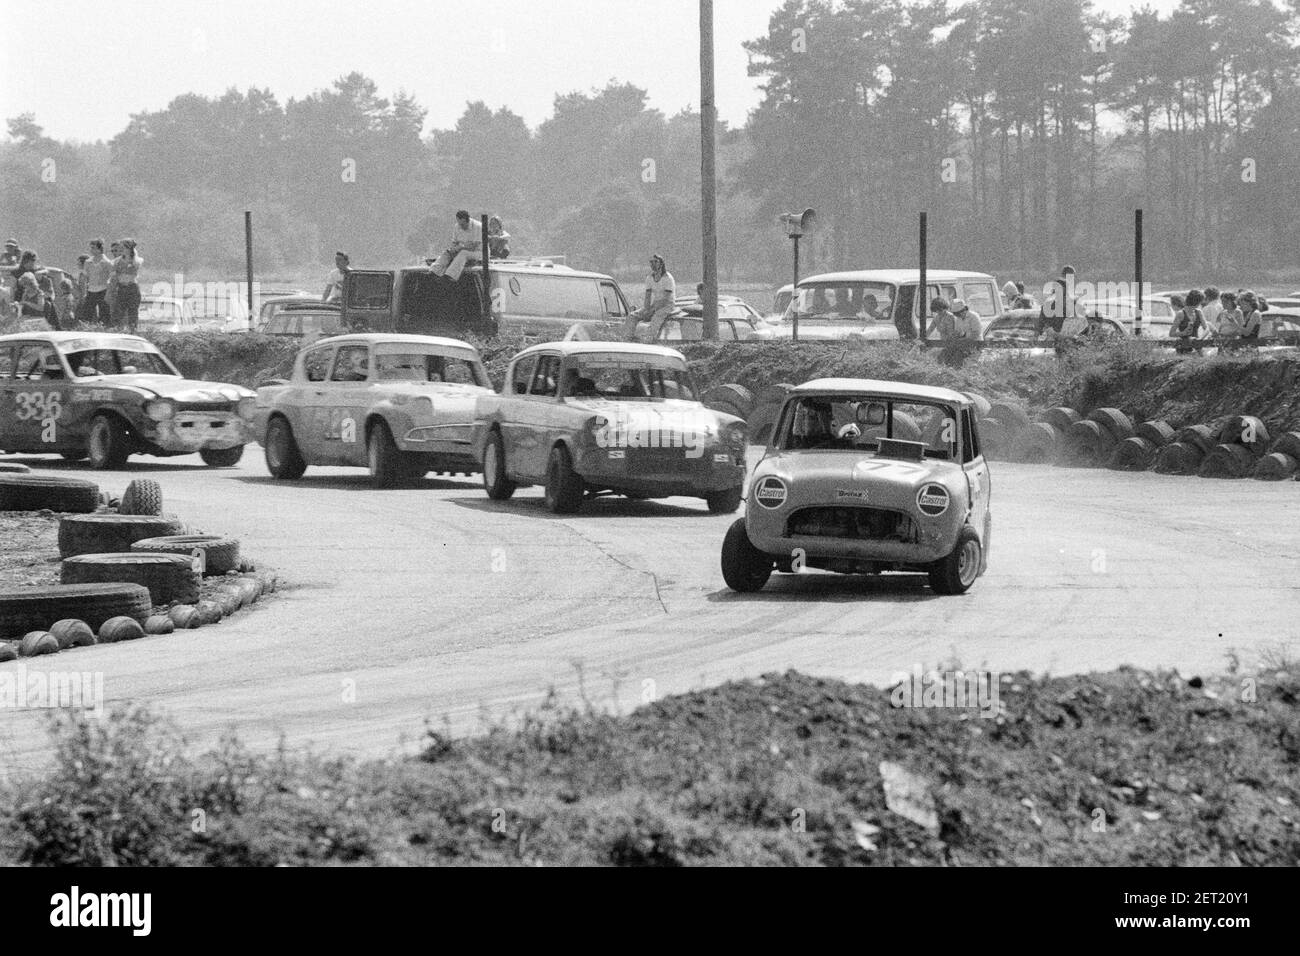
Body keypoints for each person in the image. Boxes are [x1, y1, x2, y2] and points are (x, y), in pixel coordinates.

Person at [622, 254, 676, 340]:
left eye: (655, 262)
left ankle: (648, 341)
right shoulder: (649, 278)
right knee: (632, 316)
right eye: (651, 262)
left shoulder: (668, 278)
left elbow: (666, 299)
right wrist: (646, 310)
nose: (653, 264)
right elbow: (648, 297)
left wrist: (653, 310)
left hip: (667, 305)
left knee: (656, 318)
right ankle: (627, 339)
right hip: (655, 304)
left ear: (661, 264)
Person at [429, 210, 483, 281]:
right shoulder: (457, 226)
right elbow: (454, 242)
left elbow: (474, 246)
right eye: (459, 224)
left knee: (464, 253)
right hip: (461, 249)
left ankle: (450, 276)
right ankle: (434, 271)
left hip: (478, 252)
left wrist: (461, 247)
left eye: (463, 225)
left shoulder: (478, 226)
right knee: (447, 253)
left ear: (468, 220)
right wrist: (453, 249)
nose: (461, 227)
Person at [113, 238, 142, 332]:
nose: (120, 250)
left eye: (123, 247)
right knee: (119, 313)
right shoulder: (117, 261)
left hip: (132, 288)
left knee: (133, 313)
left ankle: (133, 331)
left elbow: (133, 268)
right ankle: (119, 331)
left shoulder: (137, 260)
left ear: (129, 248)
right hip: (121, 288)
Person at [83, 239, 113, 326]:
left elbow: (111, 278)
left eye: (93, 248)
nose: (91, 250)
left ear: (99, 249)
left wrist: (108, 292)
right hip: (91, 290)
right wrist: (85, 291)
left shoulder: (107, 262)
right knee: (87, 314)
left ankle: (103, 329)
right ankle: (86, 329)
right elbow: (85, 278)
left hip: (103, 290)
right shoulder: (88, 262)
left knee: (104, 314)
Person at [106, 240, 123, 324]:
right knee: (113, 315)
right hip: (113, 292)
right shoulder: (112, 263)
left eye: (115, 250)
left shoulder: (125, 262)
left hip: (122, 291)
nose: (113, 253)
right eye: (112, 251)